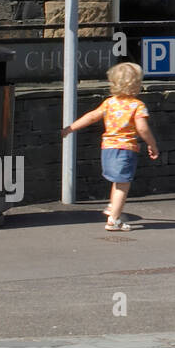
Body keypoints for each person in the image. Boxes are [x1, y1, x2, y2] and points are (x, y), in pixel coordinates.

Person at [62, 62, 158, 232]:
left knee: (117, 181)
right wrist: (152, 144)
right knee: (123, 185)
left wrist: (71, 128)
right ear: (136, 84)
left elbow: (91, 117)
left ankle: (113, 207)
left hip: (107, 148)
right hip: (125, 149)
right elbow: (142, 128)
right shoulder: (137, 105)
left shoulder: (109, 103)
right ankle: (114, 219)